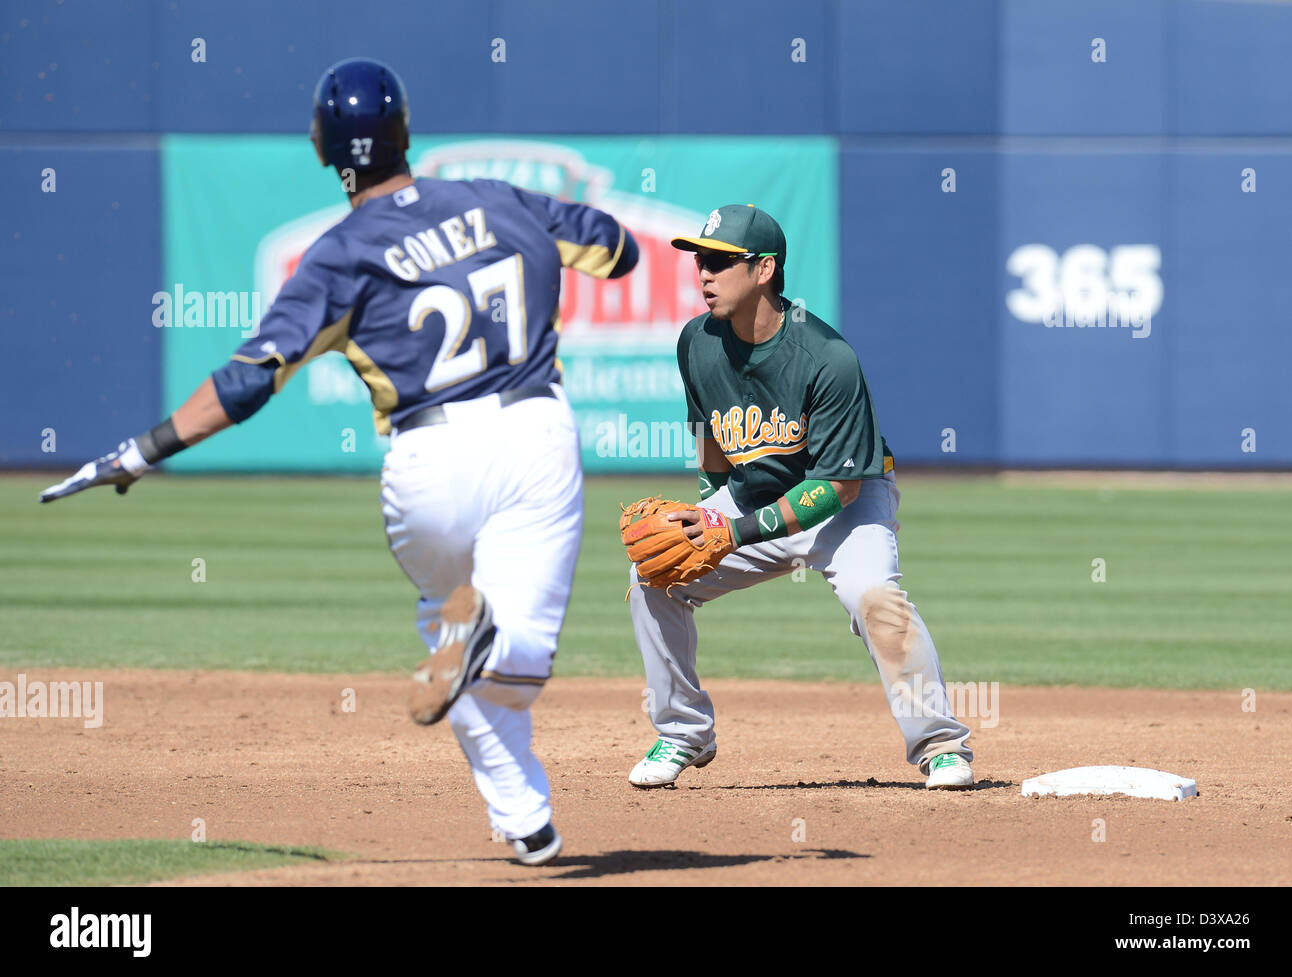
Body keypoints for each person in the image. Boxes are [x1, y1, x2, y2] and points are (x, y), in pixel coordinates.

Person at [39, 57, 639, 866]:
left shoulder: (338, 255)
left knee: (450, 643)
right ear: (405, 134)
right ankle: (492, 647)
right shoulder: (497, 198)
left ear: (325, 148)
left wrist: (143, 450)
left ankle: (527, 821)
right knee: (515, 652)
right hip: (532, 432)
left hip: (425, 462)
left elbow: (249, 381)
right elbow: (619, 250)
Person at [625, 204, 972, 790]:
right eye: (698, 261)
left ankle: (940, 744)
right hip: (755, 493)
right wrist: (710, 507)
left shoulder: (827, 359)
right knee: (653, 577)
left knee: (874, 596)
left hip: (846, 499)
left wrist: (732, 532)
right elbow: (709, 434)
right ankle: (683, 732)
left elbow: (839, 484)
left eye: (718, 261)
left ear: (763, 270)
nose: (703, 273)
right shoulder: (697, 342)